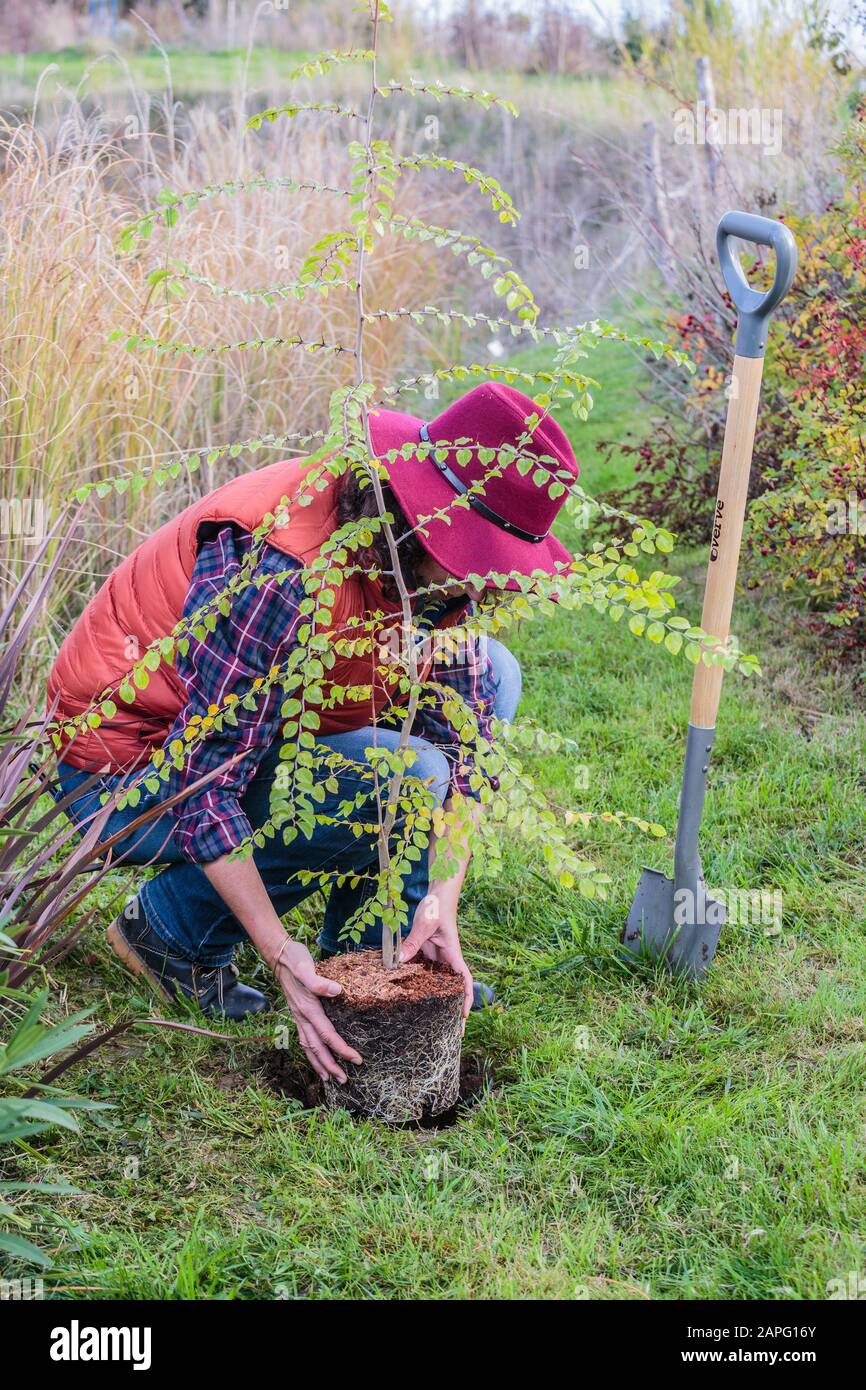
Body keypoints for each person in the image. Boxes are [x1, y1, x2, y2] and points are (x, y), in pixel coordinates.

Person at [46, 381, 579, 1083]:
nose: (491, 583)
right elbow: (205, 782)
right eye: (482, 555)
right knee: (407, 774)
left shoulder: (434, 576)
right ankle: (171, 932)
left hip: (268, 731)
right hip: (128, 768)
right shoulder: (281, 571)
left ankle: (377, 949)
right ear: (427, 517)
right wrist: (278, 954)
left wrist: (441, 903)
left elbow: (469, 747)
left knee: (494, 677)